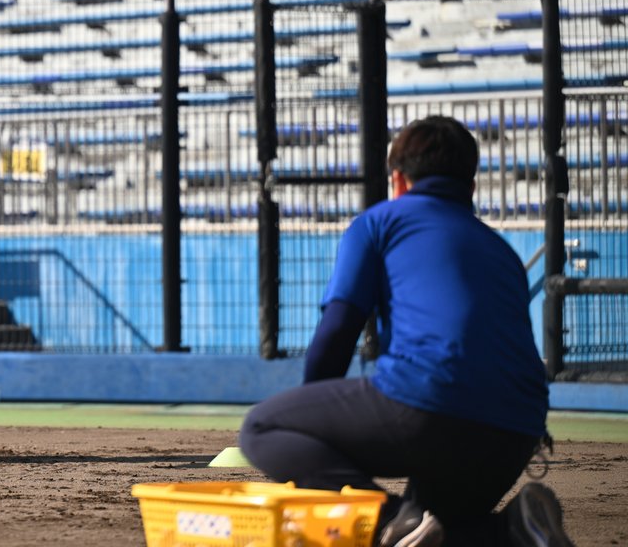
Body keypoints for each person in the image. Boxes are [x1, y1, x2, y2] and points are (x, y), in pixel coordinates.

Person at [238, 115, 575, 547]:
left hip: (430, 403)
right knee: (434, 533)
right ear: (470, 188)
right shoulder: (500, 250)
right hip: (516, 431)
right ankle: (512, 530)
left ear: (397, 179)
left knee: (261, 426)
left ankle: (387, 518)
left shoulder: (380, 222)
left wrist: (317, 426)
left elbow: (338, 329)